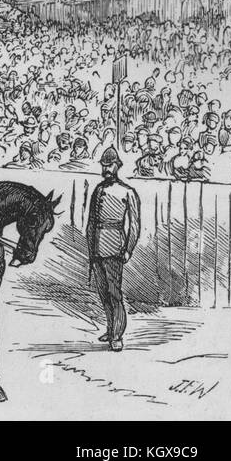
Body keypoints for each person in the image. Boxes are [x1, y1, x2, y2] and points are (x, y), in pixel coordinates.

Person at [86, 145, 142, 352]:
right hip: (97, 248)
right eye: (104, 165)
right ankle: (110, 329)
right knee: (103, 292)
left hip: (114, 247)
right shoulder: (98, 190)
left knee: (114, 293)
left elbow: (134, 224)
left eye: (110, 165)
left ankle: (117, 335)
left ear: (117, 166)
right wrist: (90, 249)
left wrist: (128, 249)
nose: (106, 169)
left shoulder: (128, 192)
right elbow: (91, 222)